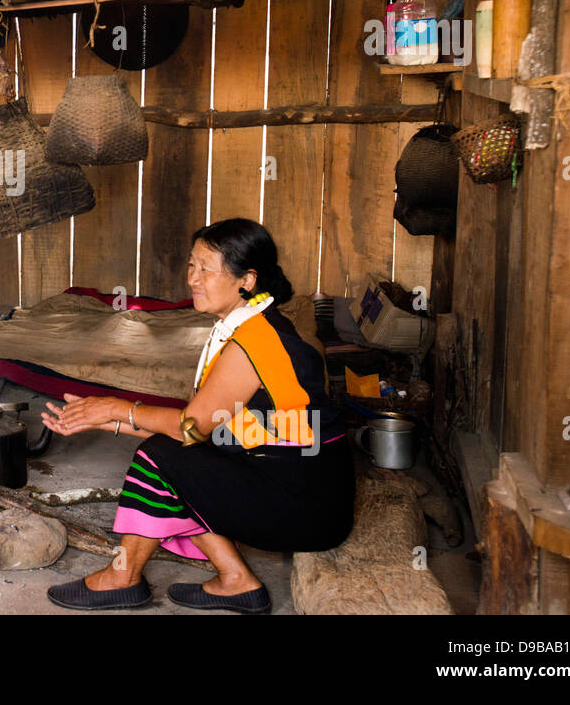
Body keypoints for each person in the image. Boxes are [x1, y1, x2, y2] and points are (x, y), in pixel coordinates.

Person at [41, 218, 354, 613]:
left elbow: (192, 427)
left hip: (308, 510)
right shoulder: (249, 325)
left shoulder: (253, 343)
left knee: (160, 458)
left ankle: (123, 577)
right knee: (170, 457)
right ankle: (236, 581)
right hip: (303, 494)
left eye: (206, 268)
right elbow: (200, 435)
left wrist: (120, 407)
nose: (193, 278)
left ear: (247, 280)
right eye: (191, 265)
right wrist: (110, 421)